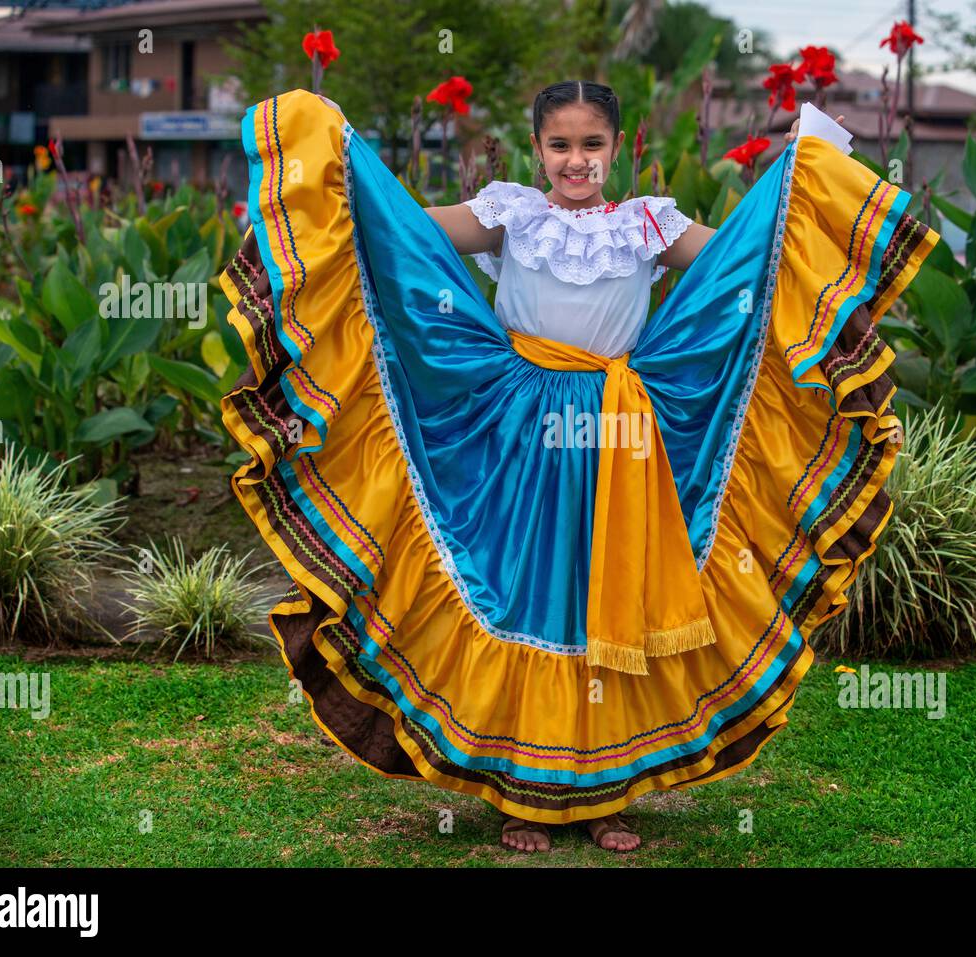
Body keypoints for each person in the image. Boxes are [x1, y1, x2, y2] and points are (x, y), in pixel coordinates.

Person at [217, 79, 938, 856]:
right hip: (518, 428)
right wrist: (339, 164)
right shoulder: (512, 215)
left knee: (610, 608)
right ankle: (526, 794)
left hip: (623, 435)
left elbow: (744, 260)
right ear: (538, 150)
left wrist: (803, 177)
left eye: (591, 145)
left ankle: (606, 796)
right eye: (559, 145)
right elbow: (406, 237)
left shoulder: (647, 224)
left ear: (615, 148)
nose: (575, 161)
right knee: (533, 595)